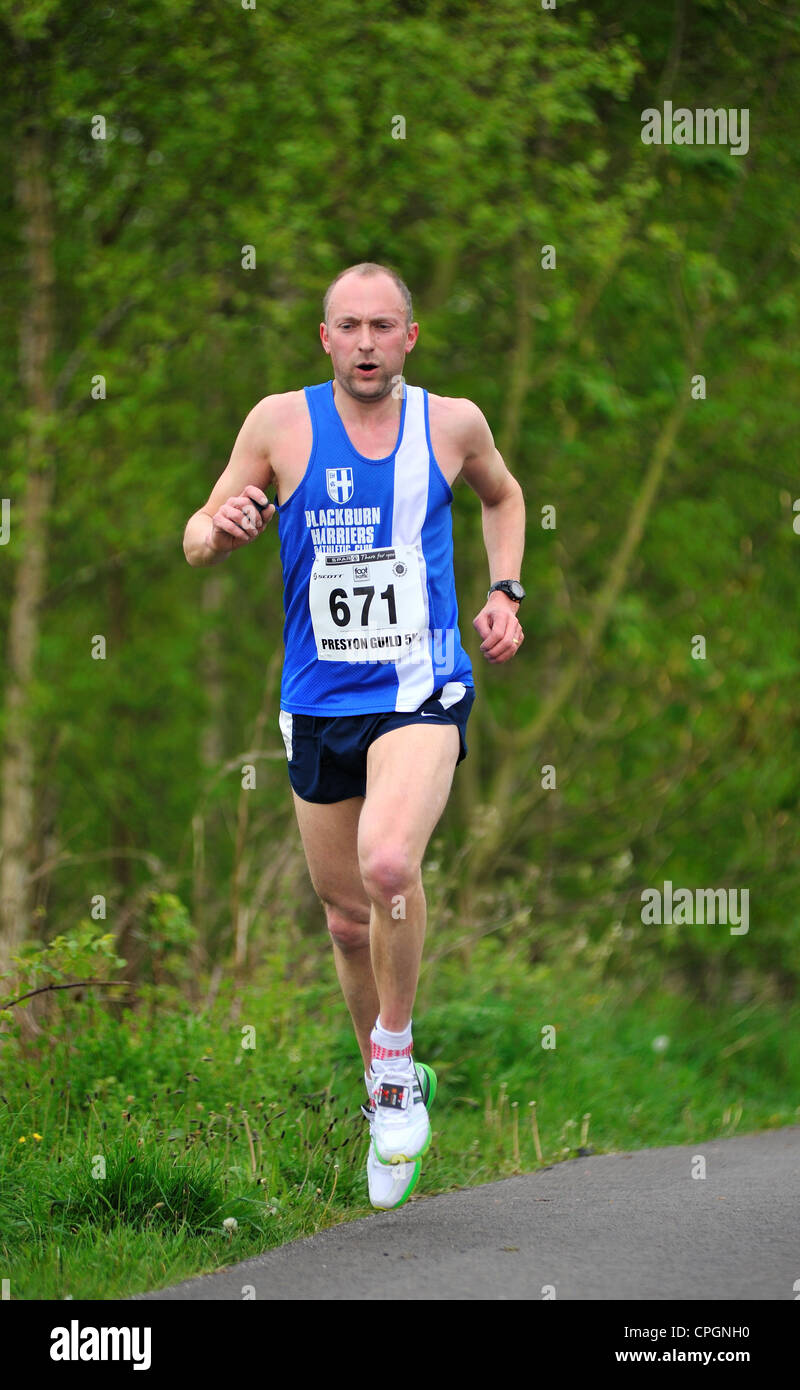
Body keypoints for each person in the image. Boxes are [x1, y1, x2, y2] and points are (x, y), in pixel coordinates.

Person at [183, 262, 526, 1209]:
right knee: (343, 918)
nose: (368, 342)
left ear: (409, 337)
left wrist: (504, 591)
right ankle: (387, 1093)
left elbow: (504, 497)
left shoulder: (452, 424)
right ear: (324, 338)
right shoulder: (278, 424)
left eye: (384, 325)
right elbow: (196, 533)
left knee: (386, 867)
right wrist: (225, 526)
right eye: (350, 326)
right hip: (318, 700)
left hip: (421, 688)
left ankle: (398, 1054)